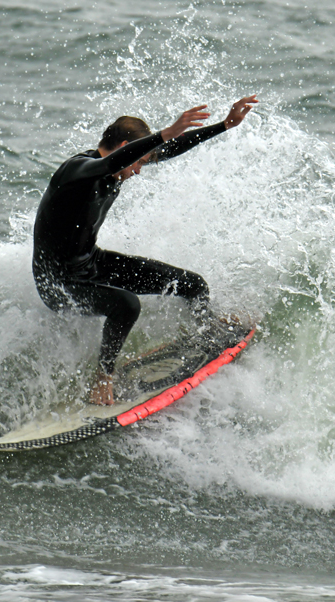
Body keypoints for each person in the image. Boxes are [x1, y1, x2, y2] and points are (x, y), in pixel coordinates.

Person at [33, 95, 259, 406]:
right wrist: (165, 132)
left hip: (90, 263)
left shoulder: (118, 167)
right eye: (138, 162)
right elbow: (113, 162)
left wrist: (224, 125)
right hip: (58, 284)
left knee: (192, 284)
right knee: (126, 305)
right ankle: (101, 381)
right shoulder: (77, 171)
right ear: (125, 147)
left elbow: (167, 151)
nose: (139, 170)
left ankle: (207, 327)